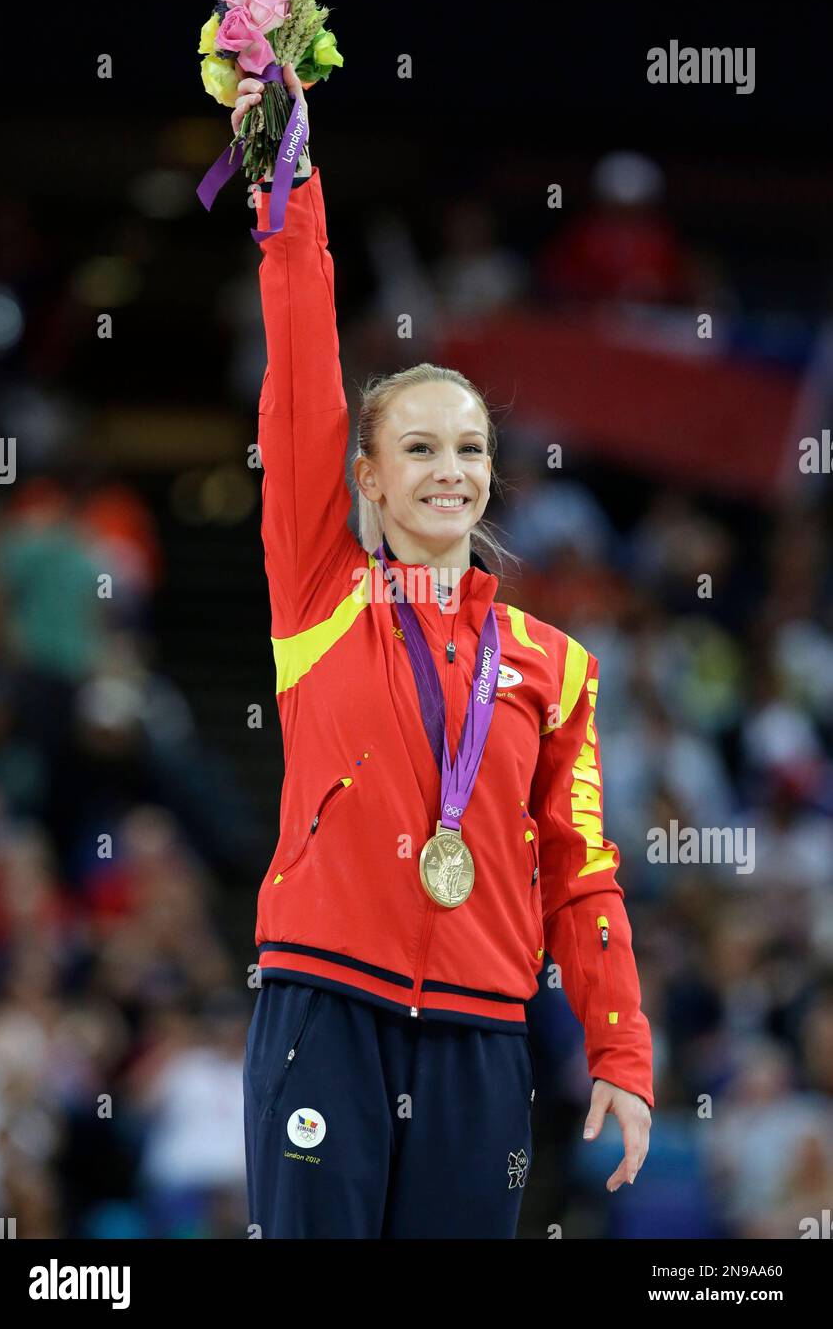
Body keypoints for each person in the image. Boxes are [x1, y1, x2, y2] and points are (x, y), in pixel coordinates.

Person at [235, 65, 654, 1239]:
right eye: (415, 447)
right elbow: (303, 365)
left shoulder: (549, 665)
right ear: (364, 476)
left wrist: (618, 1044)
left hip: (480, 1031)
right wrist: (288, 182)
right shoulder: (322, 595)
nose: (448, 471)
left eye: (467, 449)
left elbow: (581, 871)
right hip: (325, 1002)